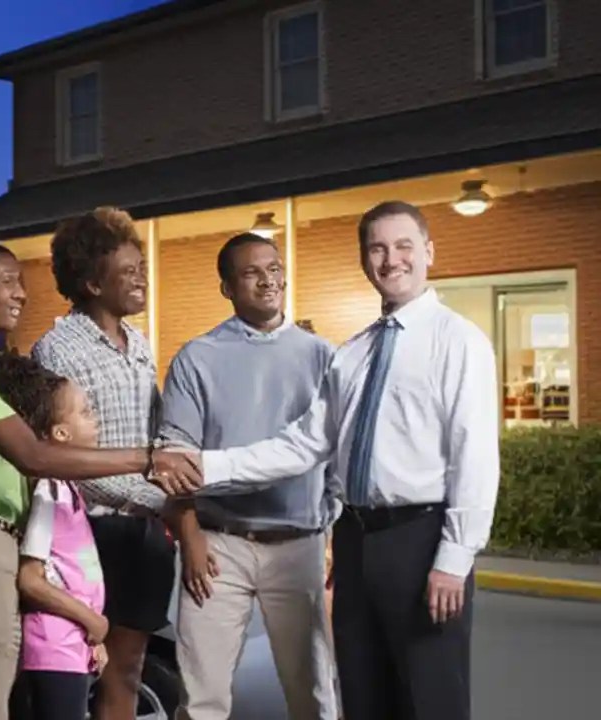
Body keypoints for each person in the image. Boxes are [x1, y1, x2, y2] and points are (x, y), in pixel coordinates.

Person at [188, 201, 500, 720]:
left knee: (430, 699)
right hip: (355, 542)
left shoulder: (458, 341)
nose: (391, 258)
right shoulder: (352, 354)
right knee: (362, 692)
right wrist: (205, 466)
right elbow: (304, 443)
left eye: (403, 246)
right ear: (364, 260)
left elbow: (475, 455)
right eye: (377, 248)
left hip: (420, 539)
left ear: (428, 251)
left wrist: (454, 557)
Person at [0, 239, 202, 720]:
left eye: (21, 281)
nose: (21, 293)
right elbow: (35, 455)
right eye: (8, 281)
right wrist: (147, 460)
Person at [160, 233, 338, 720]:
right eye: (252, 272)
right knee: (201, 698)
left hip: (298, 543)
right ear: (226, 287)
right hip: (219, 547)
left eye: (275, 269)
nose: (269, 280)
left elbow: (337, 460)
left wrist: (332, 538)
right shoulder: (197, 358)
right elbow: (174, 459)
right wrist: (190, 536)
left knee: (315, 694)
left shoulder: (323, 356)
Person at [30, 207, 173, 720]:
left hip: (145, 532)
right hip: (86, 535)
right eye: (128, 272)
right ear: (92, 281)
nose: (141, 280)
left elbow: (156, 439)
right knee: (77, 669)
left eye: (142, 270)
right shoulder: (57, 349)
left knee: (128, 671)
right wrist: (168, 502)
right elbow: (65, 455)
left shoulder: (139, 346)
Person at [0, 352, 108, 720]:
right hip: (53, 648)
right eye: (86, 413)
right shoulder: (47, 492)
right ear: (60, 434)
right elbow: (31, 579)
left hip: (74, 649)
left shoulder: (68, 490)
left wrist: (94, 639)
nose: (96, 421)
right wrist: (92, 621)